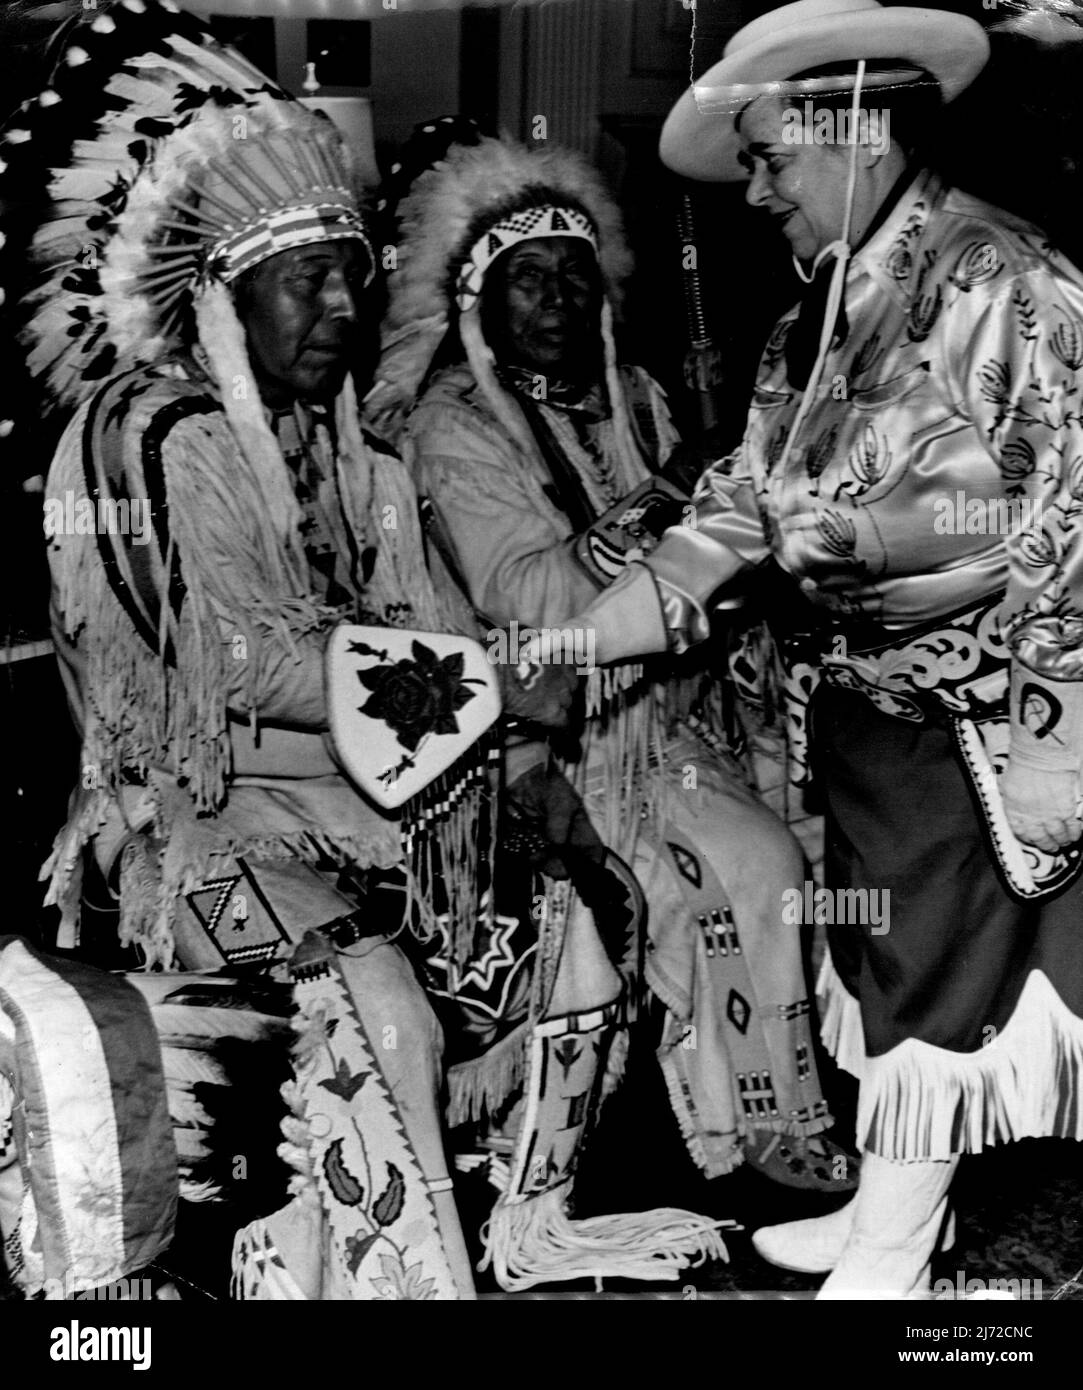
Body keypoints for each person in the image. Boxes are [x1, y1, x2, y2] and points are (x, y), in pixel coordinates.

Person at [5, 0, 725, 1298]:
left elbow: (428, 627)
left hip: (369, 797)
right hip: (189, 835)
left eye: (352, 272)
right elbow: (236, 672)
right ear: (224, 291)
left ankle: (524, 1222)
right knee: (377, 997)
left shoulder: (357, 448)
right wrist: (485, 686)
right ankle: (363, 1276)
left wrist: (508, 732)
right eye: (305, 278)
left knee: (569, 927)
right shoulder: (152, 440)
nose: (341, 304)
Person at [523, 0, 1083, 1298]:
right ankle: (895, 1212)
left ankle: (891, 1244)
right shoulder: (811, 321)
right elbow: (733, 509)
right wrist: (561, 636)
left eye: (769, 154)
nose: (755, 185)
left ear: (854, 130)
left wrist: (1061, 731)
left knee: (942, 979)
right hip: (863, 722)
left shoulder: (1006, 280)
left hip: (985, 723)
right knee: (882, 962)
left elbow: (1073, 511)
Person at [373, 134, 856, 1199]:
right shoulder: (451, 427)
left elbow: (709, 571)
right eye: (526, 279)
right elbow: (536, 604)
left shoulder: (635, 392)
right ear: (475, 301)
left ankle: (763, 1101)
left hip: (668, 717)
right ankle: (745, 1130)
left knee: (805, 842)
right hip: (539, 739)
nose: (555, 298)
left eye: (573, 273)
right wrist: (675, 495)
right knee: (755, 864)